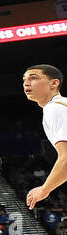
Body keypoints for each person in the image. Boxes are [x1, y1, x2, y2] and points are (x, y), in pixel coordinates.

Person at [24, 65, 67, 211]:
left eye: (33, 78)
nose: (26, 83)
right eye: (24, 80)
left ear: (54, 83)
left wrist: (44, 189)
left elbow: (66, 159)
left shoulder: (54, 108)